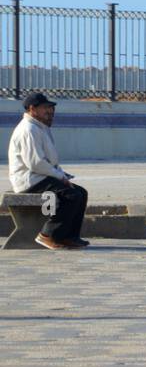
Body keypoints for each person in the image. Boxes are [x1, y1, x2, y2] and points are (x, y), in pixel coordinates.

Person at [7, 91, 90, 249]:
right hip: (29, 180)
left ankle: (68, 237)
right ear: (32, 109)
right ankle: (48, 235)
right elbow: (36, 163)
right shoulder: (28, 129)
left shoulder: (39, 128)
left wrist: (61, 175)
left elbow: (48, 161)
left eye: (51, 108)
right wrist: (59, 177)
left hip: (39, 177)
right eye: (46, 108)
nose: (50, 111)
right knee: (71, 195)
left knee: (81, 193)